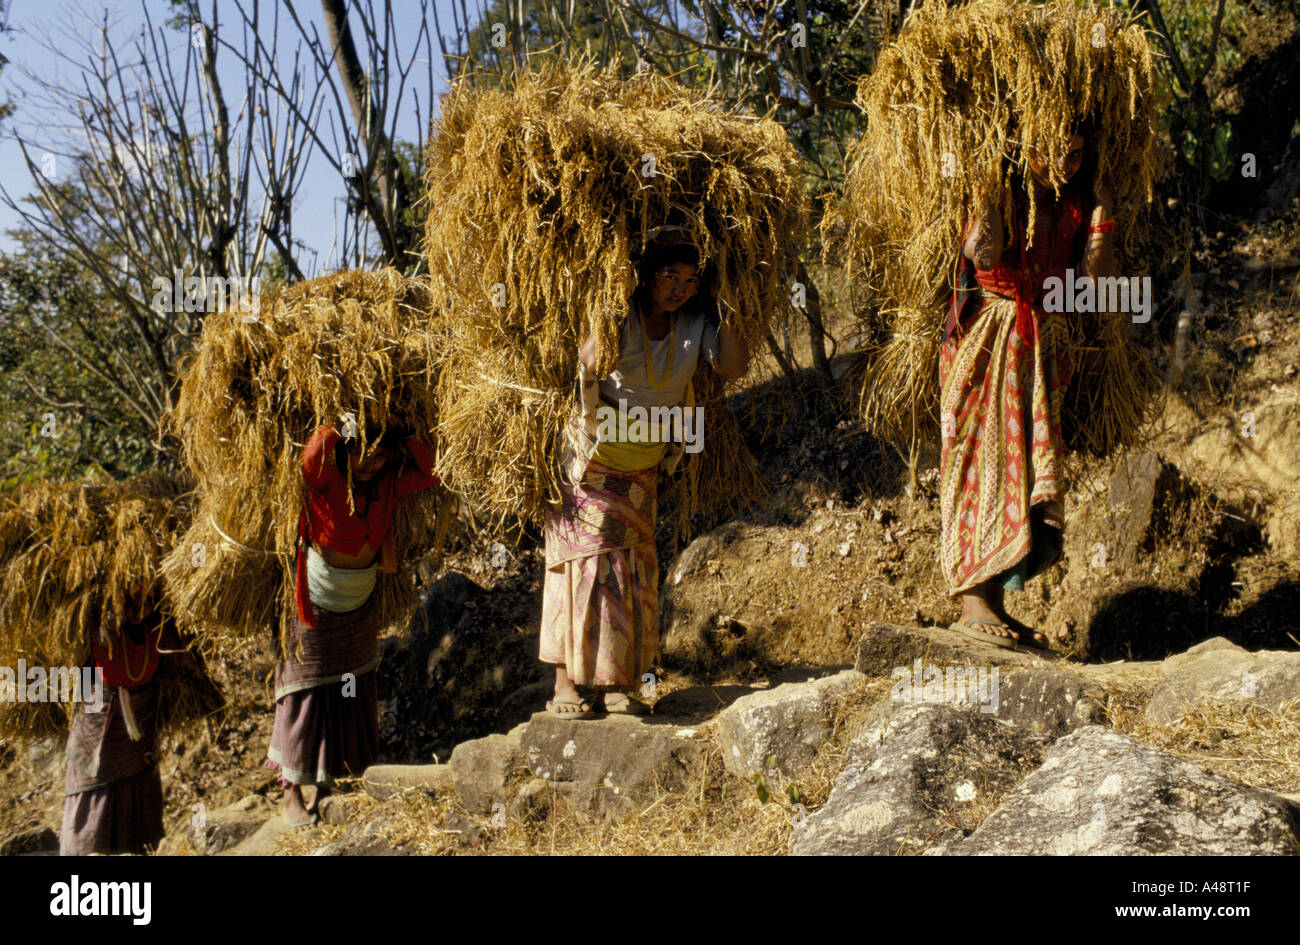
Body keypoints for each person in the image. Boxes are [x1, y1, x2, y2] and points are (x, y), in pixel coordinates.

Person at [540, 226, 750, 717]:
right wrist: (609, 307)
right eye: (669, 276)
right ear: (646, 277)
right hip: (592, 460)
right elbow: (589, 361)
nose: (679, 288)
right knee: (583, 565)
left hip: (644, 467)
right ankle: (566, 684)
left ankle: (618, 682)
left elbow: (733, 368)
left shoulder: (699, 320)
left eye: (690, 280)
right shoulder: (622, 314)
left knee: (629, 569)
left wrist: (721, 307)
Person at [940, 128, 1118, 650]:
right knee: (980, 463)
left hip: (1045, 351)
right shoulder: (1005, 192)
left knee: (1020, 468)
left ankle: (997, 605)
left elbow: (1093, 284)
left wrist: (1106, 201)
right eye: (1050, 150)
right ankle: (973, 596)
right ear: (1025, 144)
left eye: (1076, 153)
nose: (1063, 163)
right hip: (989, 343)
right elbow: (984, 257)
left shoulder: (1078, 205)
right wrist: (991, 185)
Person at [266, 418, 437, 825]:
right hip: (315, 601)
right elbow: (308, 461)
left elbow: (433, 471)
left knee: (349, 687)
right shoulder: (326, 478)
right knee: (304, 688)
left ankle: (333, 779)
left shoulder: (390, 483)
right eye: (363, 451)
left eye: (381, 454)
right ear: (347, 447)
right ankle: (291, 790)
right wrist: (339, 423)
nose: (371, 462)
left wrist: (406, 431)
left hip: (360, 600)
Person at [60, 588, 185, 855]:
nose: (140, 611)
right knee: (94, 784)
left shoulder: (159, 628)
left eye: (147, 603)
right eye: (131, 603)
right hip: (99, 715)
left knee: (139, 792)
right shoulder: (95, 625)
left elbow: (178, 658)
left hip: (140, 723)